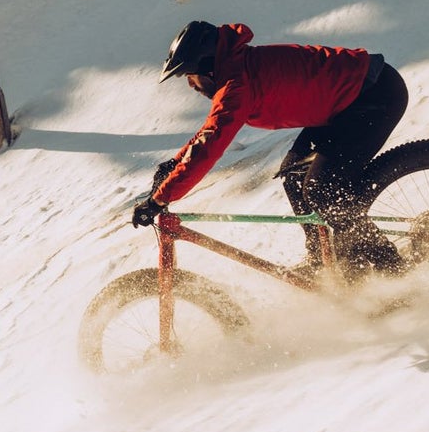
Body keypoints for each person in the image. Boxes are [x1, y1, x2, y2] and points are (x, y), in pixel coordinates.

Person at [131, 20, 408, 278]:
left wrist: (160, 198)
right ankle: (323, 263)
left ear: (208, 68)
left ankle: (392, 268)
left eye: (191, 76)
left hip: (374, 95)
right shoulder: (236, 69)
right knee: (294, 175)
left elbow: (210, 145)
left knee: (322, 190)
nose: (192, 86)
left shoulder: (236, 86)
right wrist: (172, 167)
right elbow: (207, 136)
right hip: (345, 104)